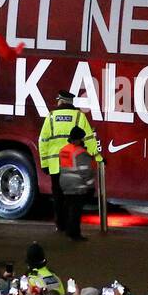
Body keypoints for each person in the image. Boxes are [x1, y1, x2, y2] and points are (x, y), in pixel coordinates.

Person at [38, 90, 102, 232]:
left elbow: (43, 141)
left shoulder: (52, 117)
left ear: (60, 101)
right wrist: (97, 158)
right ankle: (70, 226)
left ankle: (60, 225)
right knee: (72, 197)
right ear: (71, 102)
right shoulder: (80, 117)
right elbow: (90, 139)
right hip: (74, 165)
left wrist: (44, 164)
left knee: (58, 196)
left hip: (56, 165)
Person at [56, 126, 96, 241]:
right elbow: (85, 171)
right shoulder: (80, 152)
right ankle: (74, 234)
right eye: (82, 139)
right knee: (75, 211)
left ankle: (67, 230)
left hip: (64, 183)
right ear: (78, 139)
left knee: (68, 208)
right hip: (77, 185)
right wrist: (90, 186)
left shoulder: (63, 150)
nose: (83, 141)